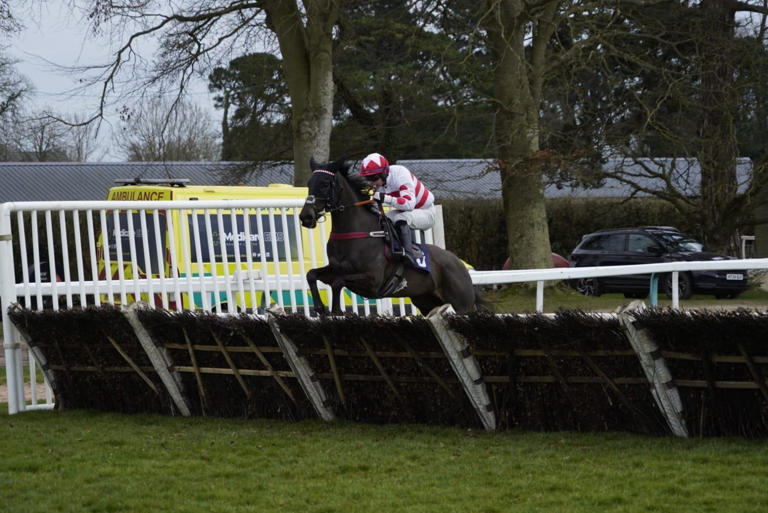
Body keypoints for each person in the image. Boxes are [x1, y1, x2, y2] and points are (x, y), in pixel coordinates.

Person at [359, 152, 436, 266]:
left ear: (384, 173)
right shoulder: (379, 184)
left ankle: (408, 255)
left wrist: (385, 198)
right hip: (406, 211)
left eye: (373, 178)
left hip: (426, 212)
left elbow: (409, 204)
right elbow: (375, 208)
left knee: (400, 218)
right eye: (368, 178)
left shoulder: (400, 174)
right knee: (381, 220)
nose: (371, 182)